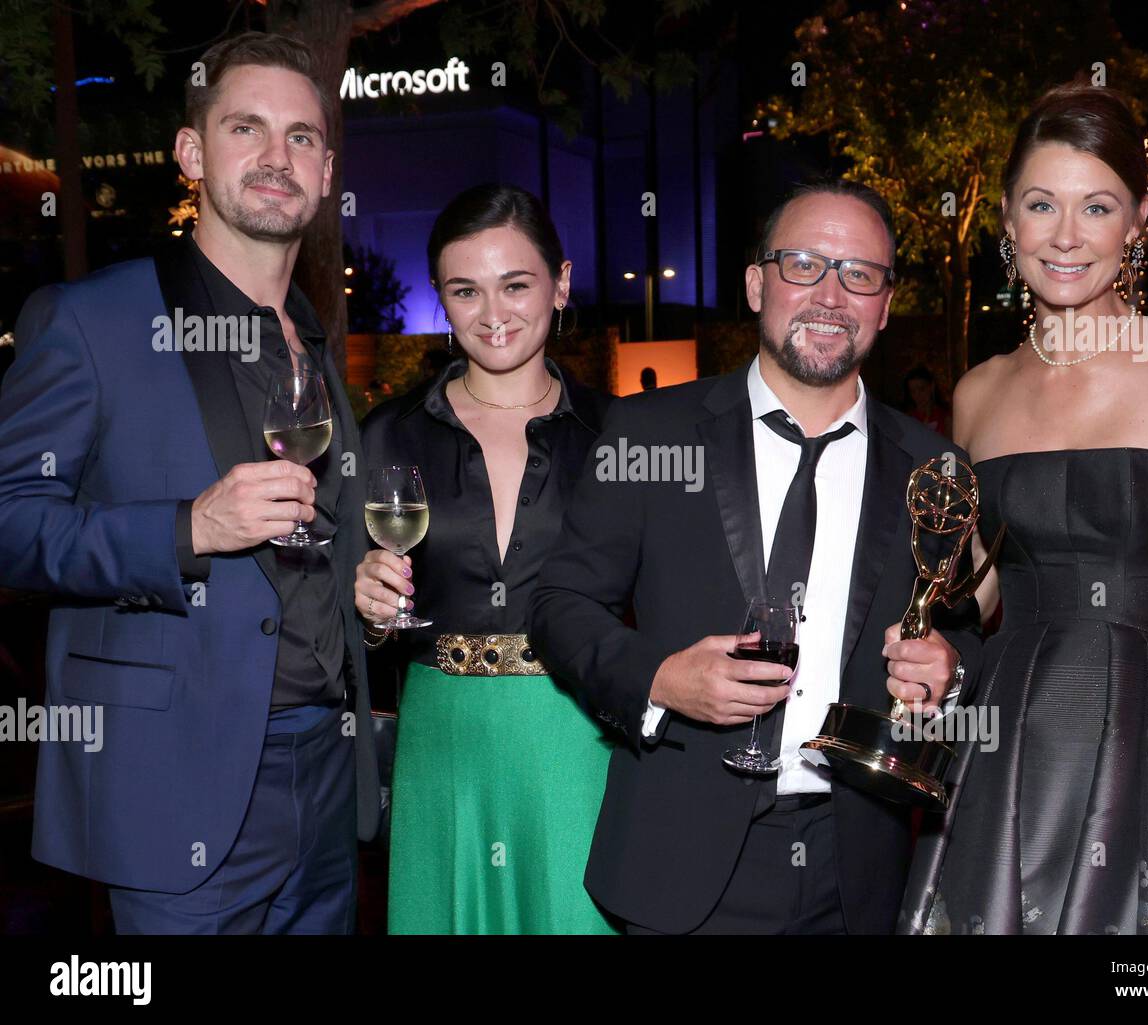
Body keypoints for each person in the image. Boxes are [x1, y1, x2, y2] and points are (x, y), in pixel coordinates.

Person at [528, 179, 983, 934]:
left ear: (886, 303)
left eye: (859, 273)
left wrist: (949, 671)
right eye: (803, 263)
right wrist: (661, 678)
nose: (831, 294)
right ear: (754, 283)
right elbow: (561, 605)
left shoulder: (933, 469)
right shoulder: (649, 434)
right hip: (682, 858)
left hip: (860, 870)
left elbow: (960, 626)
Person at [0, 32, 380, 933]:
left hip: (325, 774)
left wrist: (363, 586)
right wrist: (188, 529)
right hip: (176, 781)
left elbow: (316, 553)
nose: (276, 157)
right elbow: (11, 519)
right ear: (191, 151)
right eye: (246, 127)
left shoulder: (316, 345)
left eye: (301, 138)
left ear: (327, 173)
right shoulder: (93, 319)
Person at [900, 82, 1148, 934]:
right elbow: (984, 595)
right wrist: (927, 624)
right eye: (1043, 204)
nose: (1068, 236)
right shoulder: (978, 394)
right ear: (1008, 219)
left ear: (1139, 220)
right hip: (1011, 749)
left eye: (1098, 206)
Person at [354, 184, 617, 934]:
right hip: (442, 737)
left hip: (578, 733)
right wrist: (370, 610)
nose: (492, 312)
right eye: (465, 290)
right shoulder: (387, 434)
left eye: (516, 284)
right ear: (440, 295)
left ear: (561, 282)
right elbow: (351, 629)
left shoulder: (620, 434)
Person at [901, 365, 951, 438]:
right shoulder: (908, 419)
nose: (917, 395)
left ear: (931, 387)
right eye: (913, 391)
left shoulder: (945, 417)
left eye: (922, 389)